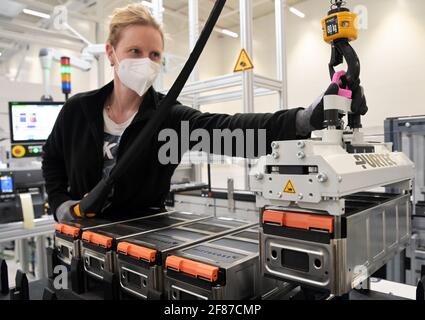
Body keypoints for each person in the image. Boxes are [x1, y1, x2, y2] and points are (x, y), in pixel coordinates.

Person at [42, 4, 367, 222]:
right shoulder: (77, 110)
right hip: (82, 234)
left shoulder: (166, 117)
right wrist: (59, 204)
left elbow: (232, 132)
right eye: (135, 51)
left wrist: (304, 119)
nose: (146, 61)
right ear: (111, 53)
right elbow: (52, 159)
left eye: (154, 54)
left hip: (143, 237)